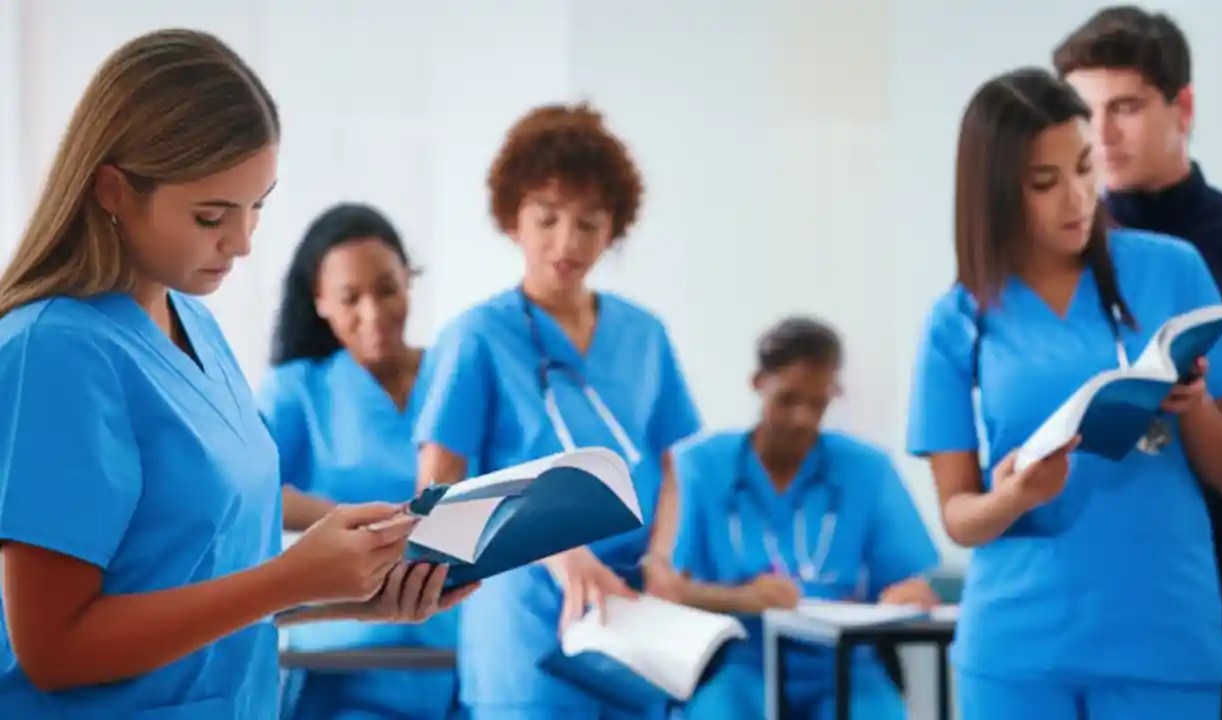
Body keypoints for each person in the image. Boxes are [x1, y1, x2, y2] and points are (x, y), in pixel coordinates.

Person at [0, 29, 472, 719]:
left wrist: (350, 593)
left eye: (258, 206)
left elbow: (199, 589)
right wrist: (289, 578)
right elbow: (54, 648)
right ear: (113, 190)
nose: (245, 242)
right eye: (212, 215)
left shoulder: (194, 324)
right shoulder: (55, 353)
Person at [906, 66, 1222, 719]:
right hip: (1016, 651)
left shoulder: (1173, 269)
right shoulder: (957, 320)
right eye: (1045, 183)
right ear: (994, 194)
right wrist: (1012, 496)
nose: (1077, 199)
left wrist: (1195, 411)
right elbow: (959, 514)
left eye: (1083, 168)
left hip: (1163, 640)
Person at [413, 102, 703, 720]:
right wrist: (555, 549)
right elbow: (437, 494)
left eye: (590, 224)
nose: (567, 243)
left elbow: (674, 466)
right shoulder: (477, 338)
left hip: (631, 614)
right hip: (521, 625)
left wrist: (661, 560)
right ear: (512, 218)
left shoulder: (645, 335)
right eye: (547, 219)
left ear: (614, 228)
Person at [1052, 10, 1222, 718]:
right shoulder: (1049, 259)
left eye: (1124, 107)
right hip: (1074, 607)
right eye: (1084, 113)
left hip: (1221, 598)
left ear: (1182, 106)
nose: (1103, 135)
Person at [656, 316, 939, 720]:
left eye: (818, 403)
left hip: (844, 665)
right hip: (741, 662)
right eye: (787, 399)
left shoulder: (866, 469)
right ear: (758, 383)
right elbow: (668, 590)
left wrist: (909, 594)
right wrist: (741, 599)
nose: (802, 418)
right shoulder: (700, 468)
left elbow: (904, 581)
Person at [260, 203, 465, 720]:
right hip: (349, 642)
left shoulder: (458, 373)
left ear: (409, 282)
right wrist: (369, 522)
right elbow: (253, 491)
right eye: (351, 298)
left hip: (458, 628)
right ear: (320, 302)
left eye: (388, 289)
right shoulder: (297, 390)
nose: (373, 314)